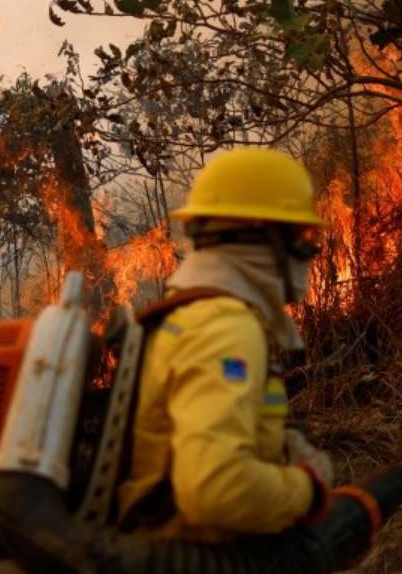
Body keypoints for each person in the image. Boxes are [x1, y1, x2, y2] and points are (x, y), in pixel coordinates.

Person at [117, 146, 335, 542]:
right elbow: (215, 491)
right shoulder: (225, 328)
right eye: (302, 238)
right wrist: (307, 487)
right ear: (262, 236)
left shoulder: (199, 314)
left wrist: (277, 445)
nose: (311, 252)